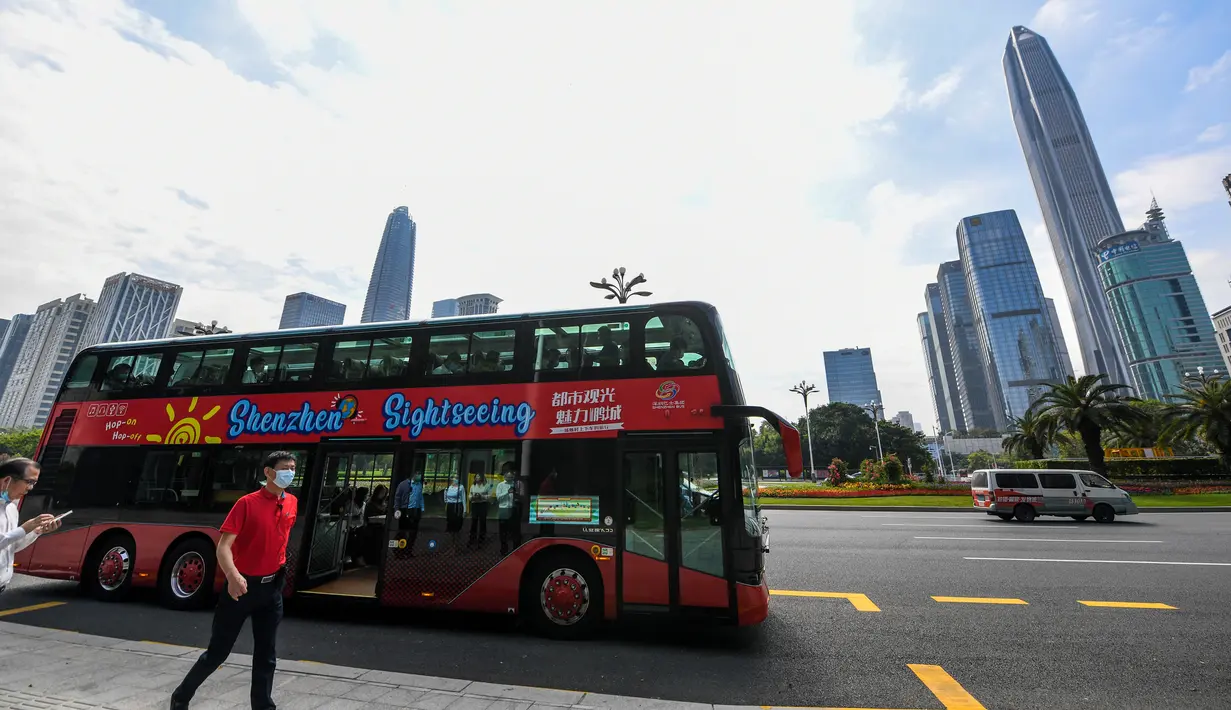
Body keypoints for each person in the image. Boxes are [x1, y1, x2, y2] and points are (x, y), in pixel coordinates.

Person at [171, 451, 299, 710]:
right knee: (218, 653)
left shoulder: (292, 503)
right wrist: (232, 576)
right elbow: (223, 547)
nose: (291, 472)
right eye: (285, 467)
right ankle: (181, 696)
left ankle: (263, 706)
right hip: (241, 587)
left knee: (267, 655)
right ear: (268, 472)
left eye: (294, 468)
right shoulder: (246, 504)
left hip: (272, 588)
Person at [1, 458, 60, 596]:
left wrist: (36, 531)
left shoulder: (11, 508)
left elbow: (11, 546)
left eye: (34, 483)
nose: (31, 488)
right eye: (29, 482)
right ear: (7, 480)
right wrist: (25, 528)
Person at [393, 471, 425, 556]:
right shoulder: (403, 484)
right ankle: (398, 551)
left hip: (415, 510)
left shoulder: (419, 485)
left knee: (413, 533)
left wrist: (422, 508)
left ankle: (408, 550)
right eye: (418, 475)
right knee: (402, 532)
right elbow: (397, 497)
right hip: (405, 510)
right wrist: (396, 509)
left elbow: (420, 497)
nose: (419, 477)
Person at [495, 462, 521, 556]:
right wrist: (507, 492)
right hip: (503, 509)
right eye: (508, 476)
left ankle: (515, 550)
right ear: (504, 475)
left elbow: (519, 497)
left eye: (511, 476)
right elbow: (498, 498)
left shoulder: (516, 484)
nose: (510, 477)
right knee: (503, 531)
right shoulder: (500, 485)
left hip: (513, 508)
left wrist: (516, 495)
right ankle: (503, 549)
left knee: (514, 530)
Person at [468, 471, 492, 545]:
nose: (477, 478)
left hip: (483, 505)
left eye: (479, 476)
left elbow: (489, 496)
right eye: (476, 477)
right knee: (474, 521)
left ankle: (481, 539)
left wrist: (481, 496)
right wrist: (473, 497)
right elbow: (469, 496)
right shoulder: (473, 486)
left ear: (482, 478)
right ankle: (472, 538)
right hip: (475, 505)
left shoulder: (486, 486)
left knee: (482, 522)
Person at [443, 474, 467, 545]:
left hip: (458, 506)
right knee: (451, 526)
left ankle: (457, 544)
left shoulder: (461, 487)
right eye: (454, 478)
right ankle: (452, 543)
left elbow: (463, 498)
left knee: (457, 526)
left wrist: (464, 510)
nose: (456, 479)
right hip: (450, 507)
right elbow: (445, 499)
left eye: (457, 477)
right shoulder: (448, 487)